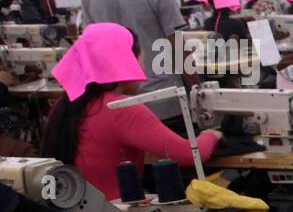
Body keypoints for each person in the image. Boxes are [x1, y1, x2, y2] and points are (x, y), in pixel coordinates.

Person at [39, 23, 221, 200]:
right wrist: (212, 134)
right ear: (125, 61)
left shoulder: (64, 105)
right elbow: (189, 154)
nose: (143, 65)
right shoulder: (121, 108)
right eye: (141, 57)